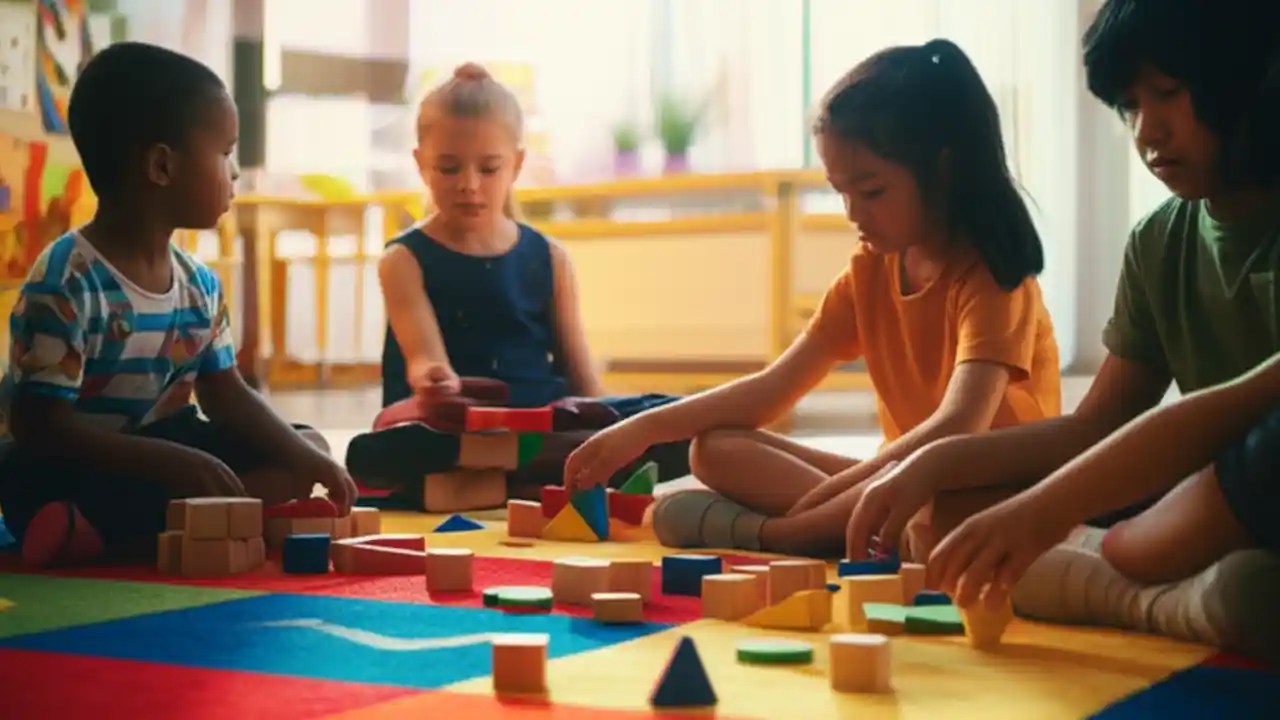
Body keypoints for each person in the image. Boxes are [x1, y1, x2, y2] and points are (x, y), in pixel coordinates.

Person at [860, 0, 1280, 662]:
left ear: (1248, 80)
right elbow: (1097, 428)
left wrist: (1048, 512)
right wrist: (935, 462)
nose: (1148, 131)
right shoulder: (1161, 241)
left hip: (1248, 478)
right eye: (1131, 106)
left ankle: (1136, 585)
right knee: (955, 512)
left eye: (1167, 94)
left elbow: (1242, 404)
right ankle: (1200, 586)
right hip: (1203, 497)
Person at [563, 39, 1060, 558]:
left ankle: (784, 536)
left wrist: (847, 490)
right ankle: (857, 528)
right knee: (714, 450)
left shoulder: (992, 278)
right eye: (839, 191)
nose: (852, 213)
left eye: (871, 192)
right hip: (900, 485)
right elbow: (774, 388)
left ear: (943, 170)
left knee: (942, 512)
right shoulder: (871, 271)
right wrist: (641, 428)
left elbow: (959, 428)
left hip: (988, 492)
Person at [0, 42, 356, 568]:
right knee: (33, 477)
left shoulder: (199, 285)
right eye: (226, 152)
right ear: (163, 166)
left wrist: (302, 454)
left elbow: (227, 395)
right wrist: (166, 460)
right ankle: (122, 525)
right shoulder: (66, 281)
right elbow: (40, 427)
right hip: (78, 462)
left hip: (168, 448)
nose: (234, 173)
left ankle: (125, 532)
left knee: (307, 447)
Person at [344, 64, 686, 499]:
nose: (469, 185)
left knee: (675, 416)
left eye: (488, 169)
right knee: (387, 449)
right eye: (448, 169)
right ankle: (530, 472)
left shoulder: (550, 257)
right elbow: (424, 359)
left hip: (544, 422)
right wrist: (436, 381)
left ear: (517, 164)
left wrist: (618, 426)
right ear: (420, 164)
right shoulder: (403, 259)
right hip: (452, 430)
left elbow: (582, 379)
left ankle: (503, 475)